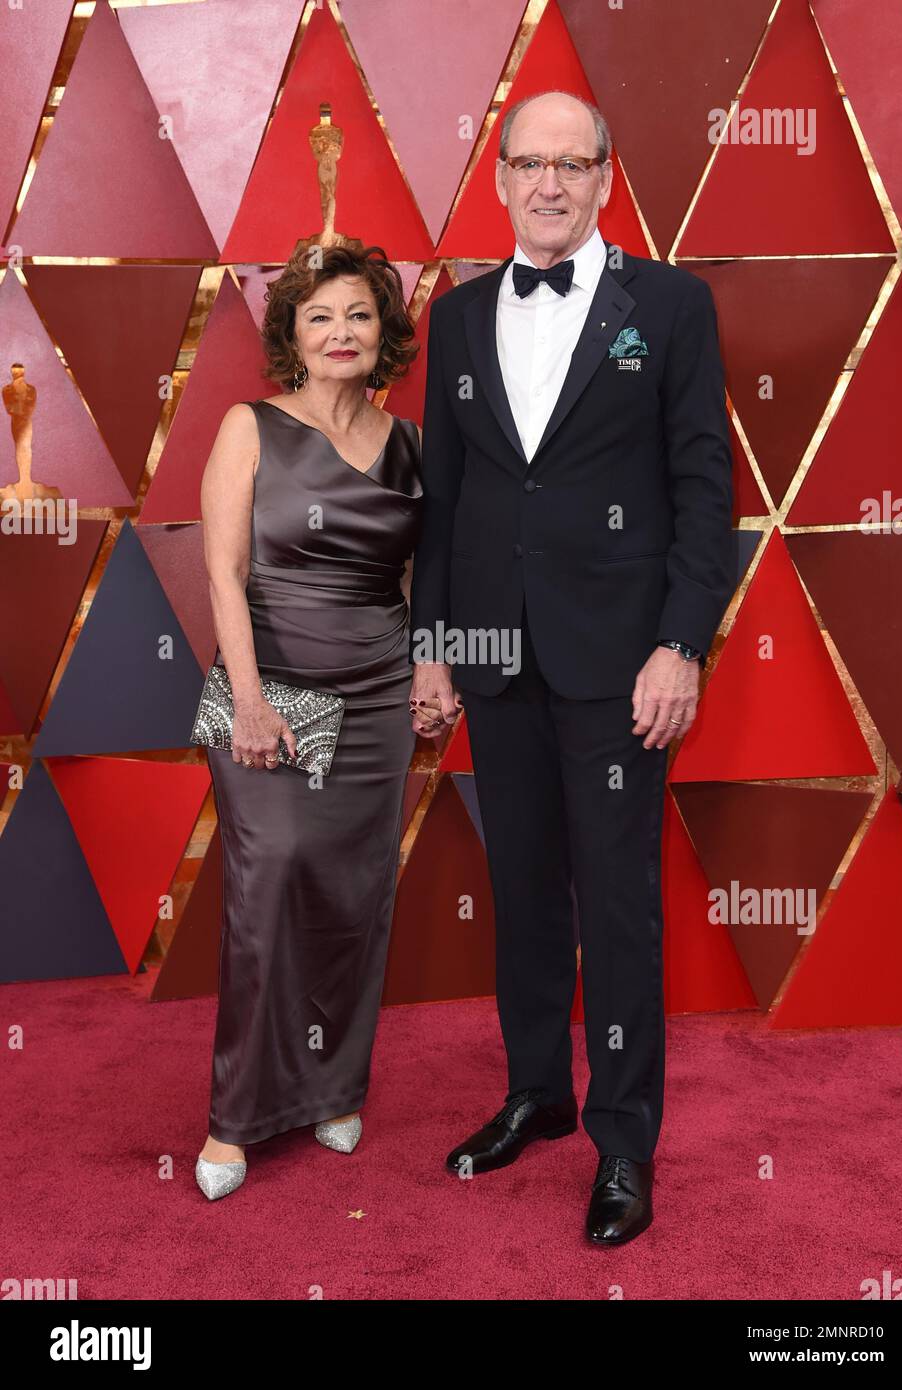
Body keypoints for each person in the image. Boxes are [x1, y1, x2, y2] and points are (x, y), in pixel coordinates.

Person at [409, 90, 734, 1245]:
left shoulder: (674, 305)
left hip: (620, 662)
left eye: (572, 164)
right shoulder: (454, 317)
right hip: (495, 654)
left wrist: (680, 642)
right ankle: (536, 1093)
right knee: (527, 897)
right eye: (528, 164)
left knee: (617, 906)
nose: (549, 184)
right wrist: (436, 646)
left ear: (605, 175)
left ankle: (623, 1142)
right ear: (498, 178)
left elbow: (706, 492)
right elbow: (445, 499)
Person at [195, 241, 432, 1200]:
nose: (341, 333)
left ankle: (335, 1083)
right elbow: (223, 572)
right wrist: (248, 699)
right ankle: (235, 1121)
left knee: (354, 892)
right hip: (271, 685)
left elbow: (423, 578)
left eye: (359, 316)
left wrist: (429, 668)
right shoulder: (249, 427)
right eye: (320, 317)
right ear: (293, 334)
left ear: (385, 335)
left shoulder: (412, 445)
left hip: (377, 692)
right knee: (271, 882)